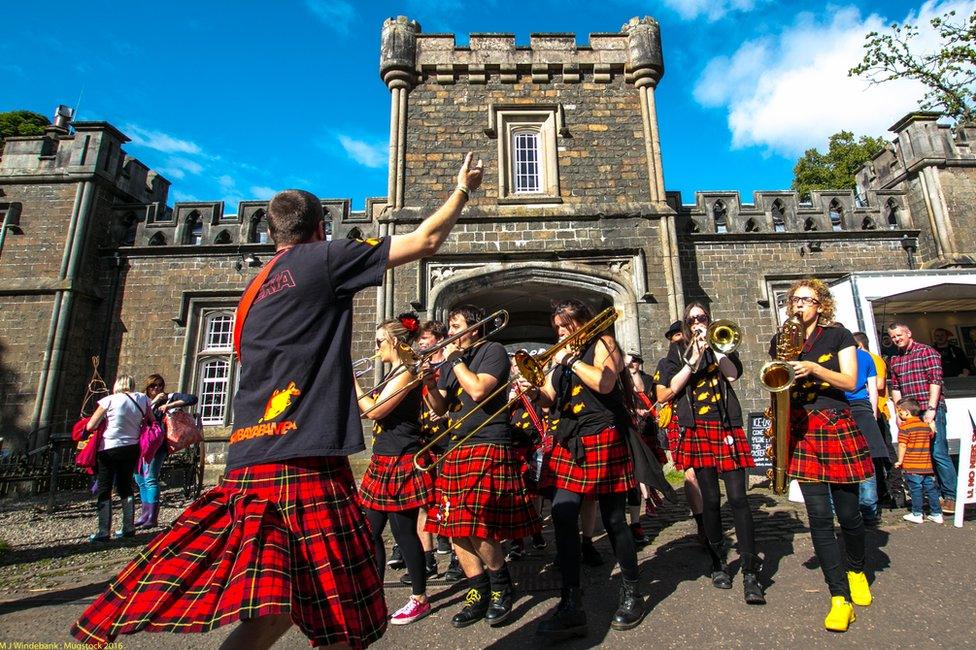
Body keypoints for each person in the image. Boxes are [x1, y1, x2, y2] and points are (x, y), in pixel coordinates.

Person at [71, 152, 485, 649]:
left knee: (281, 608)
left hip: (249, 463)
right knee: (346, 615)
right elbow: (426, 240)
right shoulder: (326, 257)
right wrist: (462, 189)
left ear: (271, 232)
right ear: (321, 228)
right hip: (303, 461)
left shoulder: (253, 290)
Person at [423, 304, 542, 629]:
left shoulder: (493, 352)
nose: (449, 334)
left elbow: (477, 389)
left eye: (456, 326)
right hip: (456, 445)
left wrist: (455, 359)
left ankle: (501, 586)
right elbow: (441, 408)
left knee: (479, 523)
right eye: (448, 327)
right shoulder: (450, 363)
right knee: (453, 525)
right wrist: (430, 386)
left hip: (487, 441)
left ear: (474, 328)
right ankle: (479, 591)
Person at [533, 299, 645, 640]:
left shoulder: (604, 343)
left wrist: (569, 360)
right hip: (571, 438)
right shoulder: (560, 356)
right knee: (563, 513)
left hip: (603, 435)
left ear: (581, 321)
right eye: (557, 329)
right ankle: (570, 602)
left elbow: (605, 382)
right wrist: (532, 390)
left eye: (566, 326)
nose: (561, 333)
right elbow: (551, 396)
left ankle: (632, 592)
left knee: (613, 520)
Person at [772, 279, 874, 633]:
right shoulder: (782, 340)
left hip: (834, 423)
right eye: (794, 299)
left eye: (807, 299)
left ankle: (857, 568)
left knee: (848, 513)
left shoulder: (838, 336)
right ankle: (839, 598)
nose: (799, 305)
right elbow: (776, 383)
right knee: (817, 515)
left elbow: (851, 382)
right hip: (800, 427)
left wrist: (814, 368)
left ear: (821, 304)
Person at [663, 303, 763, 605]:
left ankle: (749, 570)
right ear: (684, 324)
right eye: (692, 319)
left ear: (709, 319)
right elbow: (671, 388)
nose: (697, 323)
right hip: (697, 428)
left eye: (702, 318)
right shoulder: (676, 352)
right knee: (710, 500)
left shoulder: (722, 343)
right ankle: (719, 560)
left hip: (726, 427)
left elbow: (732, 376)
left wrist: (716, 348)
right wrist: (692, 358)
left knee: (739, 499)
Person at [355, 313, 434, 625]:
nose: (376, 348)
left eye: (379, 342)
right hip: (384, 457)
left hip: (401, 457)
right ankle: (374, 594)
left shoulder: (406, 371)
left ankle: (419, 598)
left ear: (396, 342)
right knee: (369, 530)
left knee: (403, 533)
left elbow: (374, 411)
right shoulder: (394, 372)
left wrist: (354, 382)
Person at [888, 322, 957, 515]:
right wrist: (898, 414)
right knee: (919, 455)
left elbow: (935, 380)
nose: (896, 339)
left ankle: (951, 497)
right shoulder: (895, 359)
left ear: (909, 333)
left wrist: (932, 409)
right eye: (893, 337)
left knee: (938, 452)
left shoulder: (927, 352)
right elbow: (895, 387)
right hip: (910, 414)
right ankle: (933, 498)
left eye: (899, 335)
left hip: (929, 409)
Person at [653, 320, 706, 545]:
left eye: (681, 334)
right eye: (674, 336)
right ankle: (702, 523)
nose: (678, 339)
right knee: (691, 473)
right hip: (681, 420)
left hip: (706, 416)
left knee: (708, 473)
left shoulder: (706, 356)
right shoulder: (665, 364)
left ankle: (711, 518)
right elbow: (662, 395)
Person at [84, 375, 151, 542]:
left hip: (109, 448)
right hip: (131, 448)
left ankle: (103, 531)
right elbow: (151, 420)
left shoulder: (109, 400)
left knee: (104, 487)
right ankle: (128, 527)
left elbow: (90, 425)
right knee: (125, 486)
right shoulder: (143, 399)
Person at [135, 374, 198, 529]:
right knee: (139, 479)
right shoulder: (142, 400)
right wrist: (154, 402)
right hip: (141, 443)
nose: (156, 389)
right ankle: (144, 514)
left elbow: (192, 399)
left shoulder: (168, 397)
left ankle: (152, 516)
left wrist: (169, 405)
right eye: (153, 386)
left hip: (158, 444)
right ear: (148, 388)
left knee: (150, 478)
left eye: (159, 385)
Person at [852, 332, 904, 509]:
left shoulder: (872, 358)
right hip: (870, 410)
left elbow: (880, 384)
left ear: (859, 345)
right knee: (873, 455)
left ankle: (896, 493)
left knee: (885, 453)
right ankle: (881, 492)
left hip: (878, 411)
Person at [843, 336, 888, 526]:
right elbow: (873, 387)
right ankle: (869, 509)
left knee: (845, 459)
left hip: (842, 406)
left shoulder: (837, 356)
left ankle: (848, 508)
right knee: (866, 457)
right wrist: (873, 411)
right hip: (863, 406)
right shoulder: (867, 356)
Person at [893, 398, 944, 524]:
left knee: (915, 490)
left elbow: (902, 445)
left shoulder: (905, 427)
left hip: (912, 465)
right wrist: (931, 425)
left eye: (899, 412)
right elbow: (932, 433)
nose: (899, 414)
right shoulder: (924, 427)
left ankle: (917, 513)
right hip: (926, 465)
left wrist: (900, 460)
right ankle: (936, 513)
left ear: (906, 412)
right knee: (931, 489)